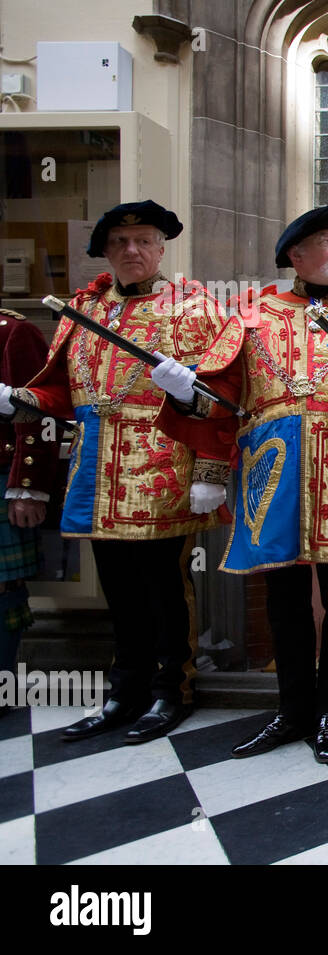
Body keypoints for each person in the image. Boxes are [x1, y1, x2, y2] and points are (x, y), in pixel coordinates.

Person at [156, 203, 328, 763]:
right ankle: (292, 709)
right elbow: (216, 401)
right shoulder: (250, 316)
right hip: (271, 478)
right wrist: (181, 393)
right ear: (296, 256)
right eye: (327, 241)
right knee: (284, 601)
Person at [1, 200, 226, 742]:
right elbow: (61, 386)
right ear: (105, 251)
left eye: (144, 240)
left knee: (163, 587)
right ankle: (124, 691)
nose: (133, 251)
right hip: (97, 470)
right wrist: (19, 398)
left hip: (161, 465)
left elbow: (223, 395)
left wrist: (203, 438)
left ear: (161, 247)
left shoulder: (194, 308)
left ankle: (172, 689)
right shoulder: (85, 311)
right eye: (121, 243)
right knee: (118, 589)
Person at [0, 309, 57, 716]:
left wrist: (27, 484)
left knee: (2, 589)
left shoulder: (15, 333)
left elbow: (39, 414)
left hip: (1, 476)